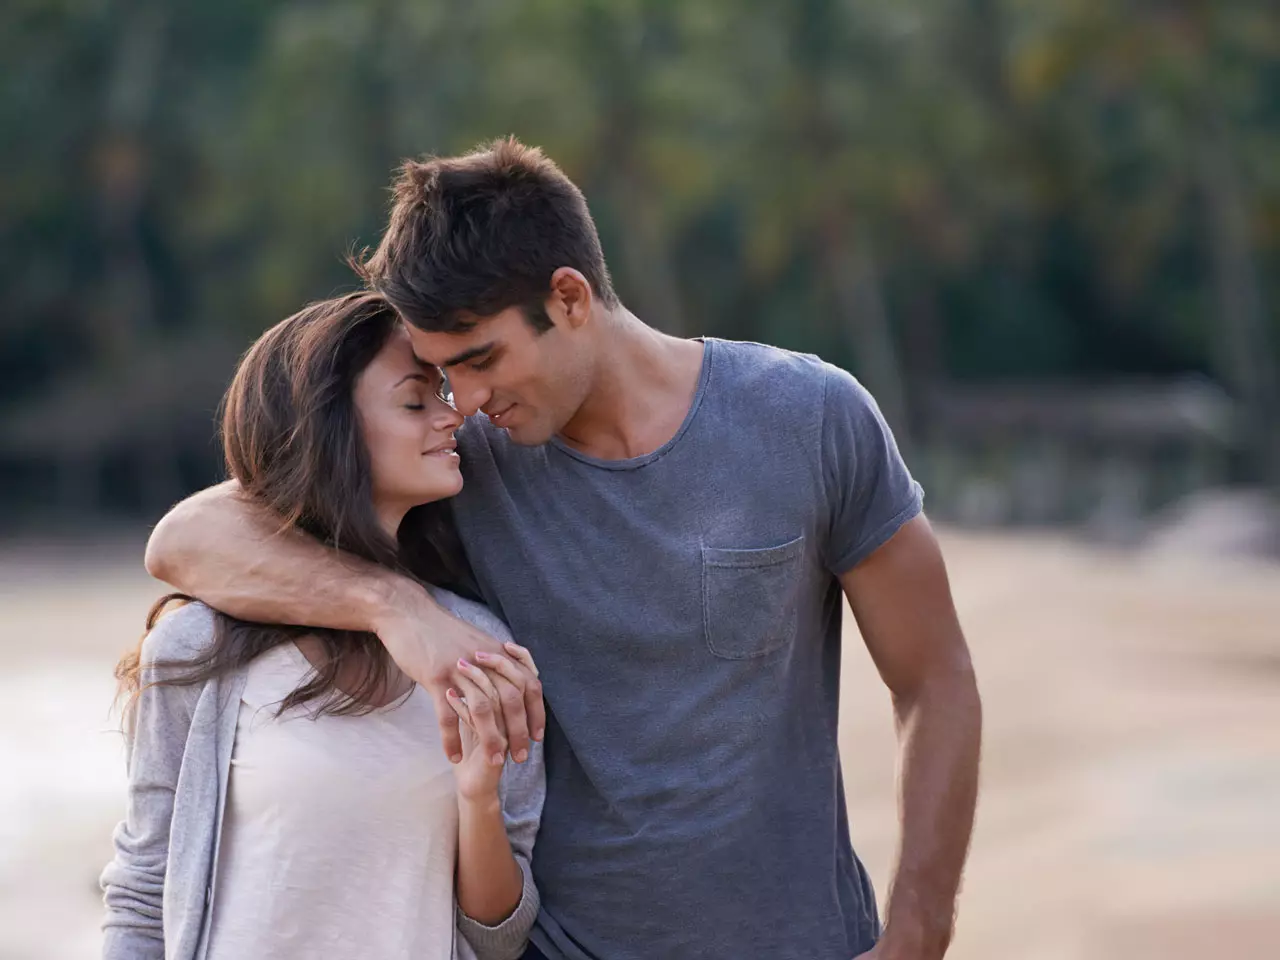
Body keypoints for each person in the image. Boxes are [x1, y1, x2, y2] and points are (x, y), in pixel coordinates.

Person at [146, 138, 983, 960]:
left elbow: (933, 680)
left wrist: (916, 935)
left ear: (571, 297)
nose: (465, 400)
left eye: (480, 360)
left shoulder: (810, 419)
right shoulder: (463, 464)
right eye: (440, 376)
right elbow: (188, 539)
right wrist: (393, 605)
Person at [101, 292, 545, 960]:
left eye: (443, 394)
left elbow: (499, 939)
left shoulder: (477, 648)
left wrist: (478, 799)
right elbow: (142, 895)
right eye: (415, 400)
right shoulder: (198, 651)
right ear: (330, 429)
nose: (454, 416)